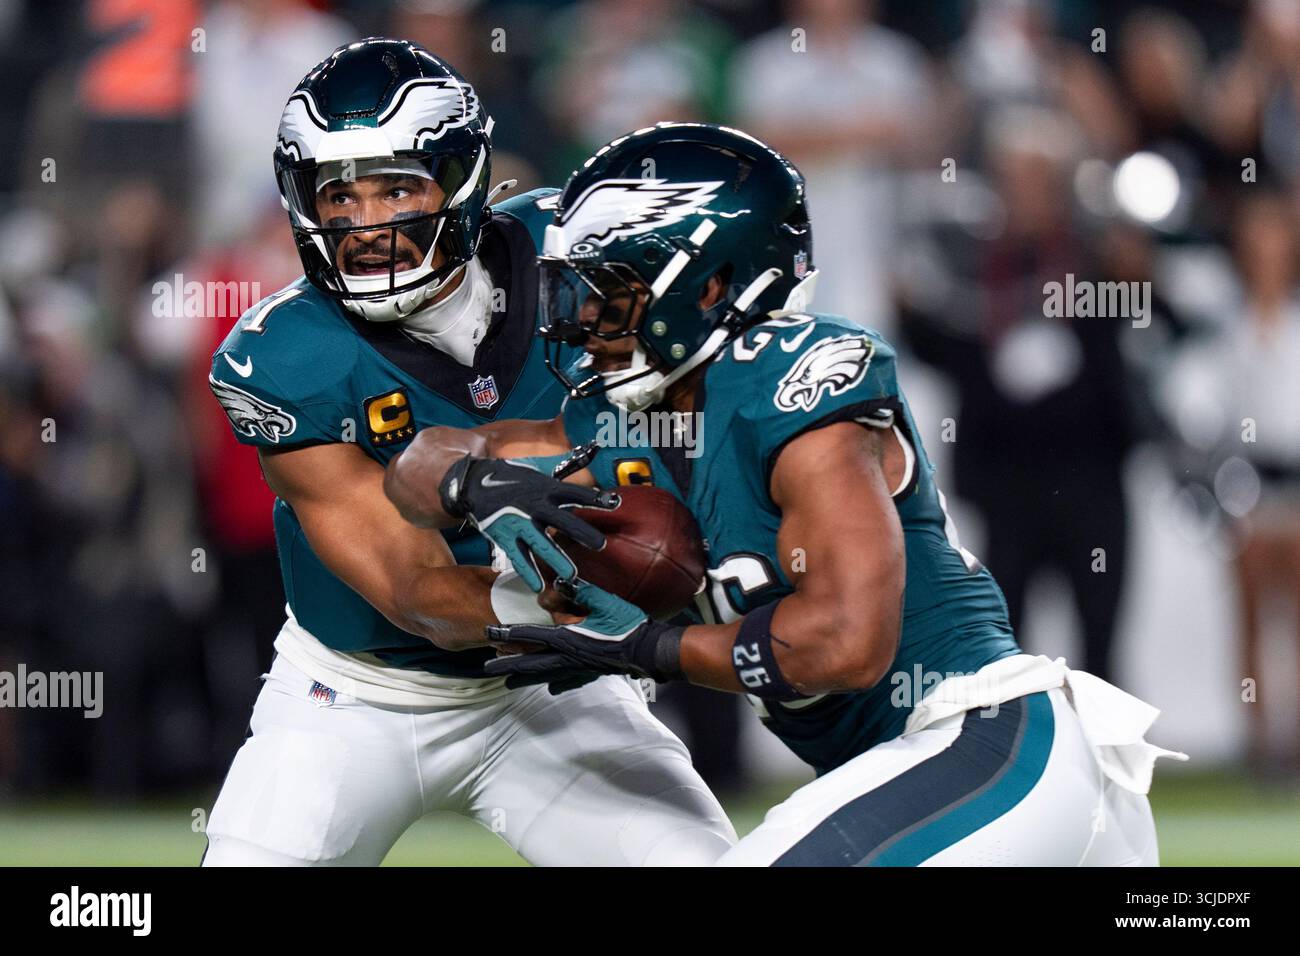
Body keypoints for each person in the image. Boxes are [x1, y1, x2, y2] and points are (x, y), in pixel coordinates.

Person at [384, 122, 1186, 866]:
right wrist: (473, 483)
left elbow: (843, 643)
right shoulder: (623, 417)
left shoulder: (796, 383)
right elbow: (421, 460)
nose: (585, 317)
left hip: (986, 743)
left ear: (707, 284)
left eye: (612, 286)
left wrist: (644, 650)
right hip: (916, 773)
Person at [203, 40, 734, 866]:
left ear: (461, 180)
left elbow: (698, 407)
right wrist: (601, 612)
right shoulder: (283, 358)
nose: (367, 225)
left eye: (396, 187)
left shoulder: (578, 259)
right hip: (357, 691)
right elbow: (417, 595)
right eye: (340, 197)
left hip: (552, 693)